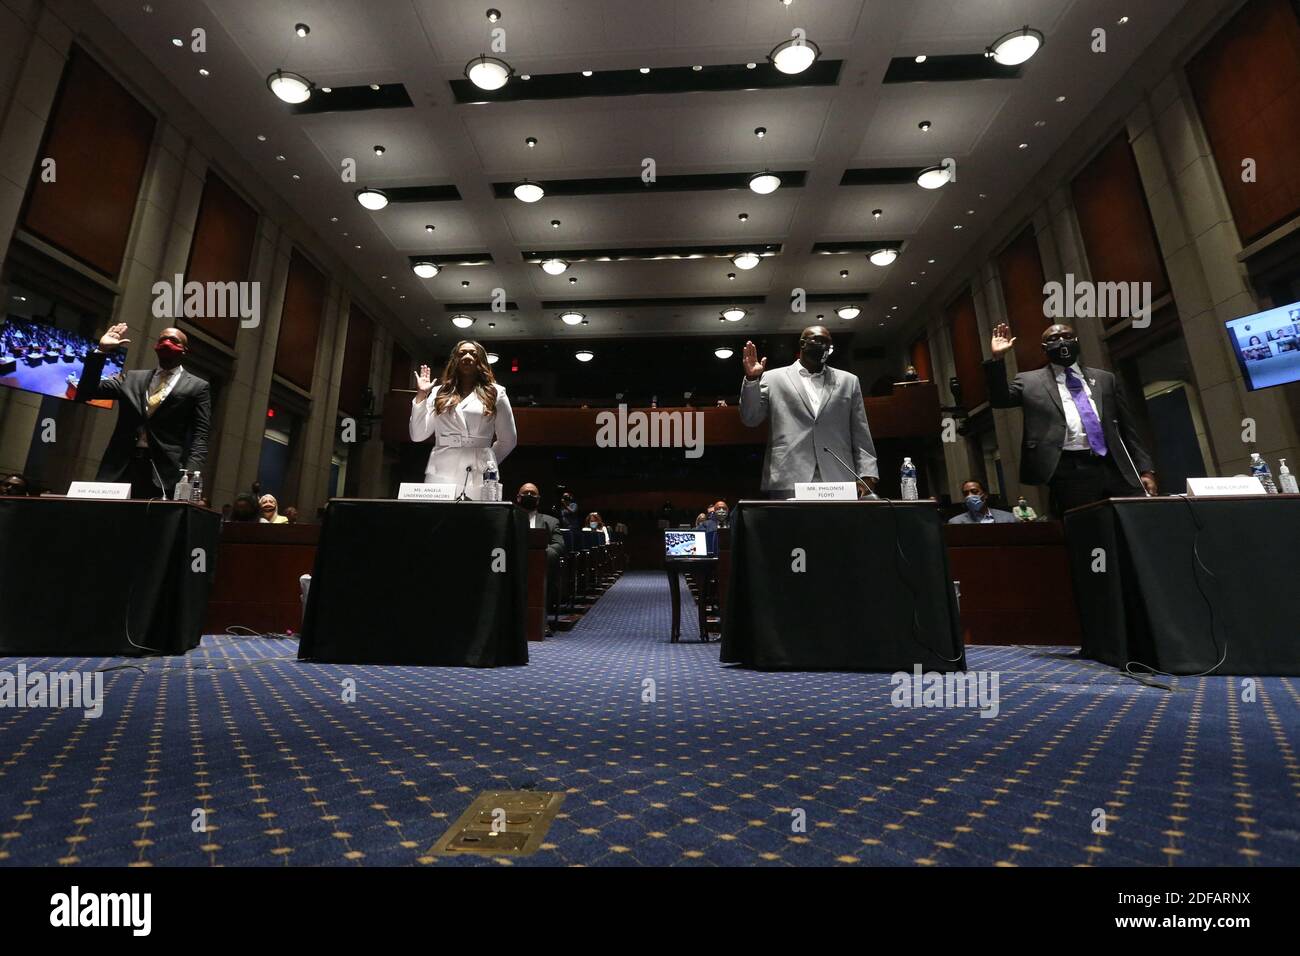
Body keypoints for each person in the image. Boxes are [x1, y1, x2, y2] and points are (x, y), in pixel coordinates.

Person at [985, 322, 1156, 516]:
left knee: (1132, 521)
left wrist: (1145, 469)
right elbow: (999, 400)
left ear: (1076, 341)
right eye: (1053, 339)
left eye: (1066, 336)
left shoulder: (1104, 379)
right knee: (1085, 528)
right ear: (1044, 348)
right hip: (1070, 469)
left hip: (1113, 464)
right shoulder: (1029, 381)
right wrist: (997, 359)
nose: (1061, 341)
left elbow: (1127, 428)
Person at [74, 323, 211, 499]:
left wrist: (191, 473)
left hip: (163, 471)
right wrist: (101, 352)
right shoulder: (132, 378)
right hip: (121, 466)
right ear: (155, 347)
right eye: (162, 339)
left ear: (184, 350)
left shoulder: (198, 387)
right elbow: (86, 391)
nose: (167, 342)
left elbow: (201, 435)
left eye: (173, 340)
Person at [740, 326, 878, 498]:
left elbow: (860, 431)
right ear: (803, 344)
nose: (824, 346)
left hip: (838, 476)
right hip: (789, 475)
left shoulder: (848, 381)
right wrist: (752, 379)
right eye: (819, 340)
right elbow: (750, 418)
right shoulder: (773, 378)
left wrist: (867, 474)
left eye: (828, 343)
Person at [409, 340, 517, 500]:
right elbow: (417, 435)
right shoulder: (439, 392)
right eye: (462, 353)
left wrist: (486, 462)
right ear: (455, 359)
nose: (467, 356)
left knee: (476, 522)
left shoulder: (496, 392)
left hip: (479, 475)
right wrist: (421, 395)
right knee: (437, 521)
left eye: (473, 353)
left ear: (481, 360)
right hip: (441, 470)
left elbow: (508, 440)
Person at [516, 482, 565, 629]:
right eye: (526, 493)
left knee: (547, 571)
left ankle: (540, 619)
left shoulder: (551, 521)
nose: (529, 496)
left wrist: (543, 554)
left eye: (532, 494)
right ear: (518, 498)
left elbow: (559, 545)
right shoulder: (508, 518)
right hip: (515, 564)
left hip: (541, 567)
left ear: (538, 499)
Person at [948, 479, 1017, 525]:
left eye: (974, 491)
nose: (970, 496)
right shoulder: (955, 522)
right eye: (966, 494)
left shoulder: (1009, 517)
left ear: (985, 495)